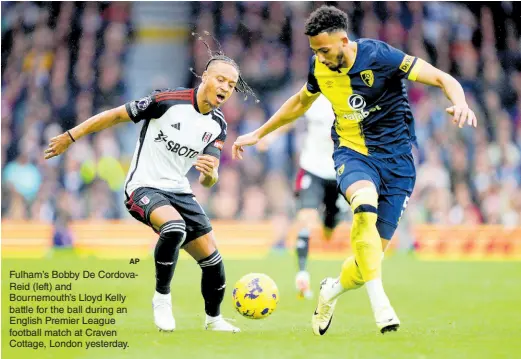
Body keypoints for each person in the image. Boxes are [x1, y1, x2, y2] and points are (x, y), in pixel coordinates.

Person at [232, 5, 477, 335]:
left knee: (367, 262)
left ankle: (330, 290)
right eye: (315, 51)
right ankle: (381, 305)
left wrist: (460, 101)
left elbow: (441, 77)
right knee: (363, 207)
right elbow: (299, 103)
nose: (319, 56)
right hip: (353, 153)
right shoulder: (319, 68)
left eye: (324, 50)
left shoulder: (381, 56)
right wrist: (260, 132)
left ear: (344, 41)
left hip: (398, 162)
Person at [45, 43, 257, 333]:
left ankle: (214, 320)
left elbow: (208, 177)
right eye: (221, 79)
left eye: (231, 85)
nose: (225, 87)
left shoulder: (218, 125)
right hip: (142, 186)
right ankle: (162, 299)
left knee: (212, 259)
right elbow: (115, 115)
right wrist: (72, 136)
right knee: (174, 228)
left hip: (179, 191)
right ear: (205, 77)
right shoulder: (167, 101)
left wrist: (213, 176)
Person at [259, 94, 347, 299]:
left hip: (340, 171)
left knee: (329, 228)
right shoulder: (314, 96)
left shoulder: (351, 96)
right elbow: (291, 116)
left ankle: (329, 224)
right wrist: (271, 136)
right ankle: (302, 275)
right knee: (306, 218)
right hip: (311, 168)